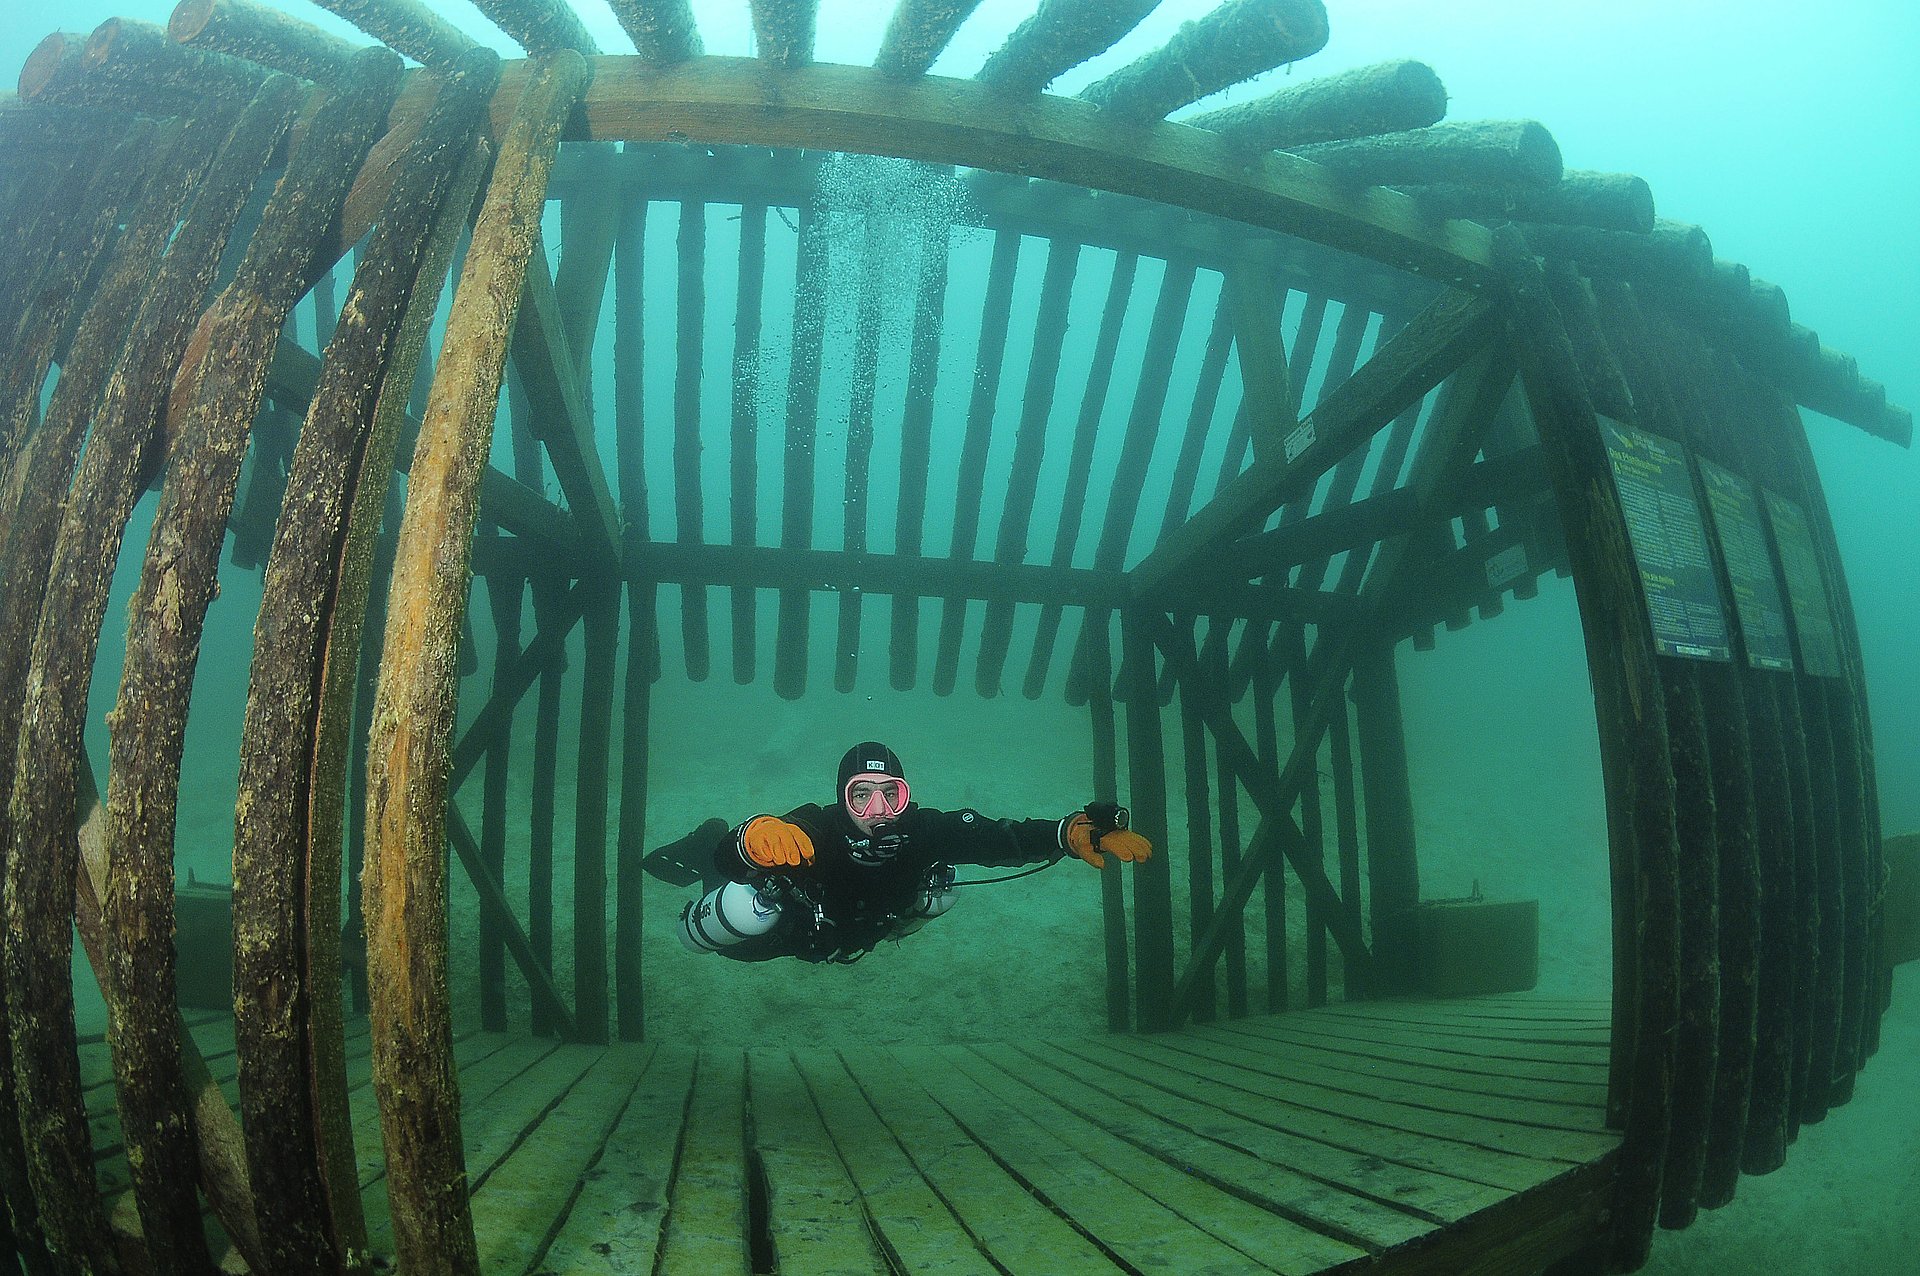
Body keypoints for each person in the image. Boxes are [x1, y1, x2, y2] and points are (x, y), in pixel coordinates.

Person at [657, 741, 1152, 965]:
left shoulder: (922, 829)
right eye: (861, 795)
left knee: (944, 892)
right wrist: (743, 839)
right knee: (740, 934)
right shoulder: (814, 826)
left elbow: (1001, 839)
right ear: (840, 798)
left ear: (905, 793)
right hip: (792, 933)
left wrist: (1067, 833)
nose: (879, 810)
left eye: (890, 793)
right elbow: (740, 858)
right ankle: (703, 841)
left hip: (855, 935)